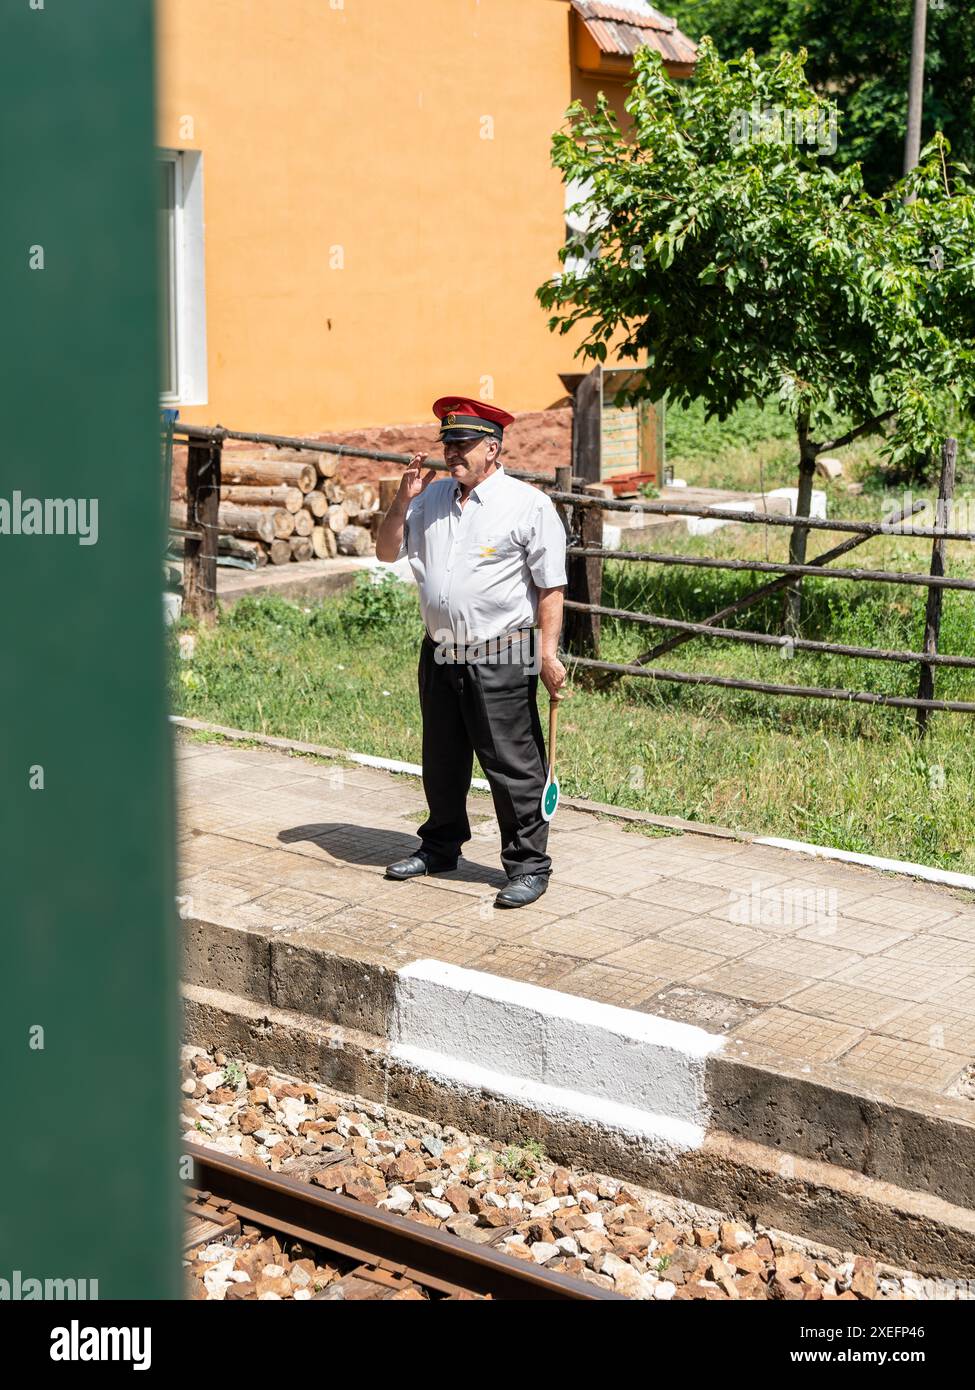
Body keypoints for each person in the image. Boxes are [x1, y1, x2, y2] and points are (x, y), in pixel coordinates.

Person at [375, 395, 567, 907]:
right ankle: (440, 847)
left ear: (493, 449)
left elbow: (550, 588)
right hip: (439, 651)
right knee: (441, 759)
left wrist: (547, 654)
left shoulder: (527, 504)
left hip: (502, 652)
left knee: (511, 763)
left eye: (463, 445)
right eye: (448, 444)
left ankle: (528, 864)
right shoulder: (430, 499)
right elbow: (386, 550)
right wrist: (401, 499)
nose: (452, 453)